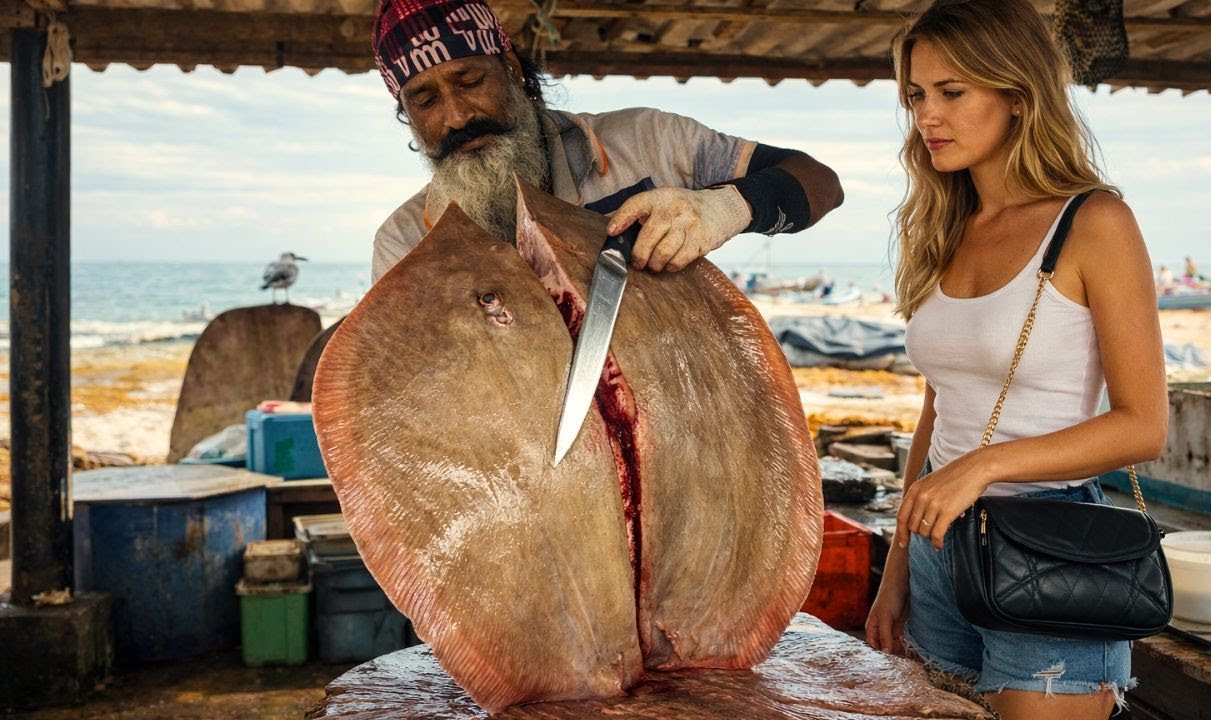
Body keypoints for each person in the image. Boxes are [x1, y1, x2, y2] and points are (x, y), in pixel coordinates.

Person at [863, 2, 1168, 719]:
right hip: (940, 543)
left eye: (951, 92)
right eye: (915, 95)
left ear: (1017, 96)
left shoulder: (1095, 223)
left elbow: (1143, 427)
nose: (926, 116)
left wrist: (984, 466)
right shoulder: (947, 225)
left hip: (1050, 543)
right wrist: (898, 565)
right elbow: (940, 407)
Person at [368, 0, 843, 283]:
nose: (456, 116)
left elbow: (820, 183)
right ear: (406, 116)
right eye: (425, 100)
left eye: (470, 81)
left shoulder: (647, 143)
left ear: (511, 70)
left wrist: (728, 209)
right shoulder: (406, 242)